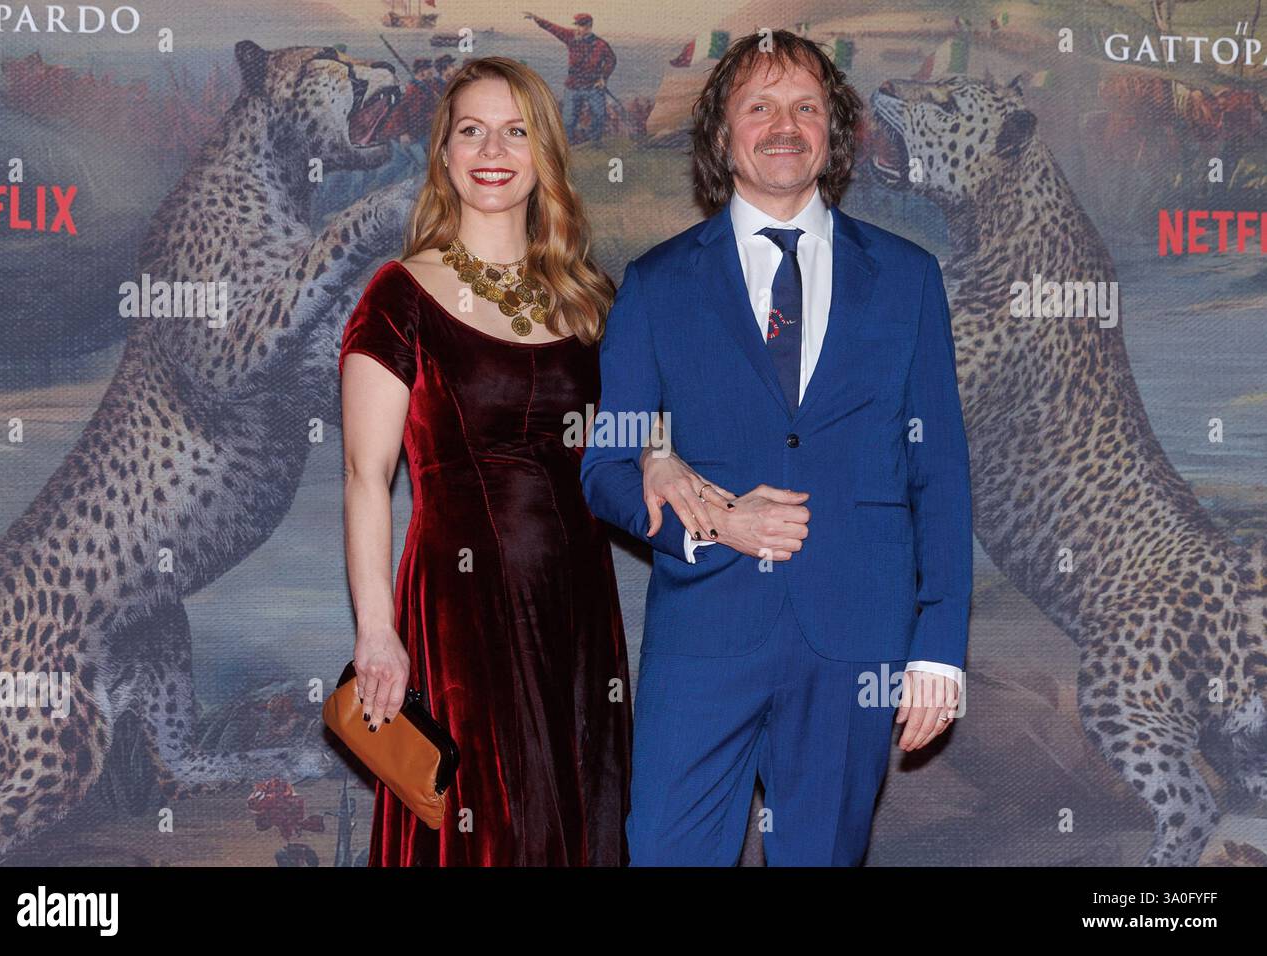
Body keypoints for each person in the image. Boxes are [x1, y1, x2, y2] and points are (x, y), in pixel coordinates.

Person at [580, 31, 973, 865]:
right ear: (722, 137)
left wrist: (940, 647)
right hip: (706, 635)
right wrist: (715, 521)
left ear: (834, 131)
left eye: (805, 105)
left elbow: (940, 475)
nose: (783, 124)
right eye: (757, 106)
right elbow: (608, 463)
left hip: (856, 639)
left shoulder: (908, 279)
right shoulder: (655, 283)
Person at [339, 56, 631, 866]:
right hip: (459, 603)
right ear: (443, 154)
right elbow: (366, 478)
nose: (492, 148)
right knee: (486, 817)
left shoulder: (587, 297)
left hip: (577, 595)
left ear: (543, 155)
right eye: (471, 129)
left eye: (515, 129)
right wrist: (376, 634)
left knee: (575, 797)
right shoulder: (398, 295)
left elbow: (634, 447)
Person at [523, 11, 615, 144]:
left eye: (581, 26)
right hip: (573, 86)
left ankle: (595, 142)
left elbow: (611, 60)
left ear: (589, 26)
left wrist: (603, 78)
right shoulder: (571, 37)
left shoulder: (601, 45)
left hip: (593, 87)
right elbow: (554, 29)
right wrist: (537, 19)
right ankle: (568, 146)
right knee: (568, 119)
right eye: (577, 25)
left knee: (599, 116)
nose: (578, 29)